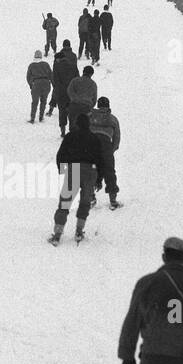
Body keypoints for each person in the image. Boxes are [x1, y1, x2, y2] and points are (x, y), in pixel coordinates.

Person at [49, 113, 104, 244]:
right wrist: (99, 179)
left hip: (74, 170)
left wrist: (62, 170)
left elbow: (61, 155)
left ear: (77, 124)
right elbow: (101, 160)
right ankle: (79, 231)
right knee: (85, 203)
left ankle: (57, 234)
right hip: (90, 171)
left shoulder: (70, 136)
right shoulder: (94, 138)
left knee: (65, 202)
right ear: (89, 124)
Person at [88, 95, 121, 208]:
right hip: (106, 143)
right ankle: (113, 200)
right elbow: (116, 138)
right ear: (108, 106)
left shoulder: (90, 115)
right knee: (109, 171)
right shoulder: (112, 119)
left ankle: (91, 196)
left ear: (98, 106)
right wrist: (111, 150)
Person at [51, 41, 79, 134]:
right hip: (72, 93)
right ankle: (72, 130)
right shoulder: (73, 66)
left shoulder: (58, 66)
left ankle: (63, 131)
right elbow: (77, 79)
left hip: (61, 93)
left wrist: (56, 92)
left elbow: (55, 81)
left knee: (62, 112)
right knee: (72, 112)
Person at [66, 64, 98, 133]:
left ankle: (72, 141)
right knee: (84, 128)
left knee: (72, 127)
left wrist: (74, 99)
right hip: (86, 108)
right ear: (91, 74)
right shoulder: (93, 84)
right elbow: (94, 99)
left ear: (83, 72)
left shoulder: (75, 80)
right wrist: (90, 106)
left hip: (74, 106)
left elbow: (69, 91)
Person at [27, 50, 52, 124]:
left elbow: (28, 77)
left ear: (34, 56)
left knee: (35, 102)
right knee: (43, 101)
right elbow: (51, 74)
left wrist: (31, 85)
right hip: (46, 83)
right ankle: (41, 117)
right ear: (41, 56)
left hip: (36, 84)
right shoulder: (46, 64)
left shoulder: (31, 65)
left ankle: (32, 118)